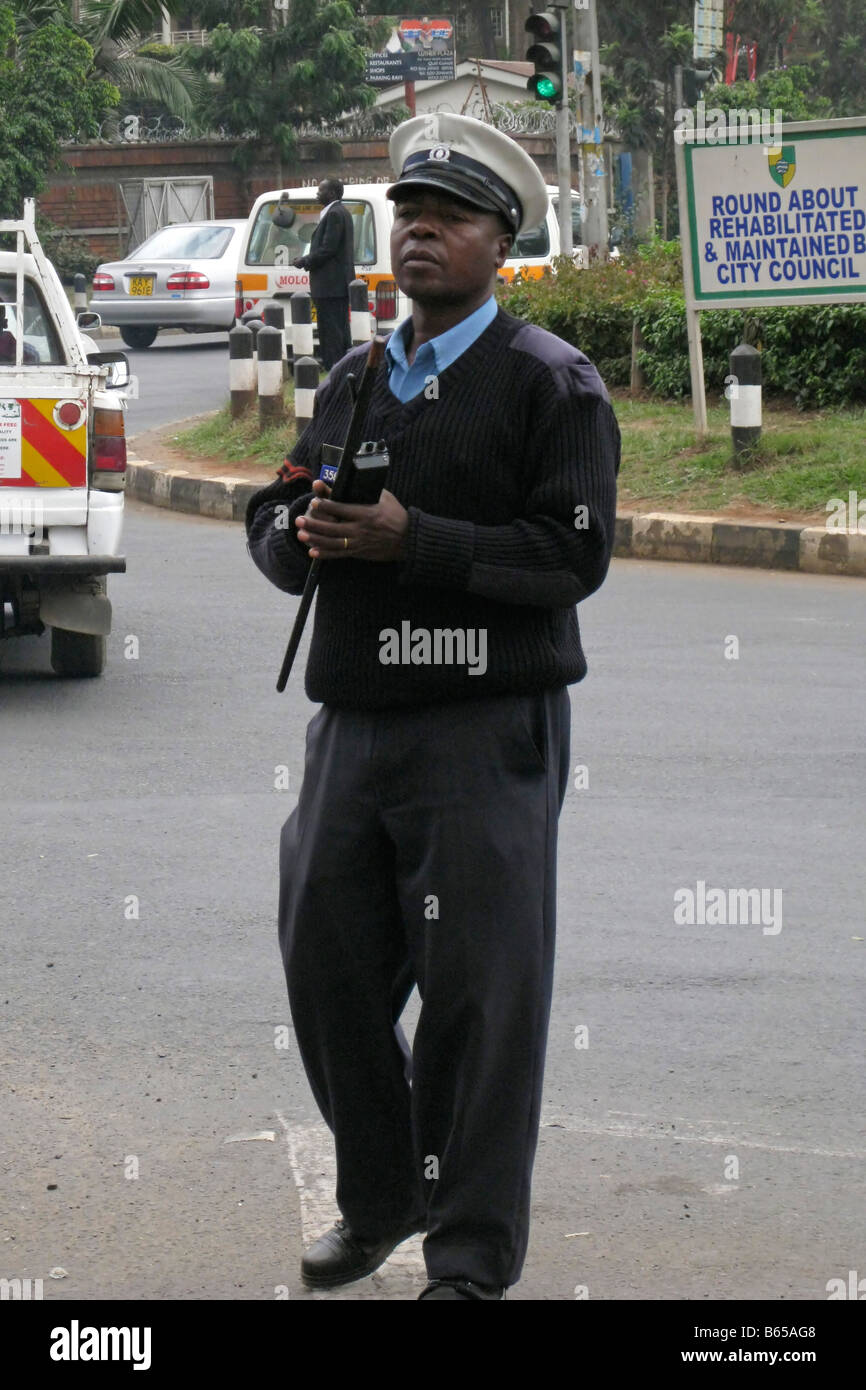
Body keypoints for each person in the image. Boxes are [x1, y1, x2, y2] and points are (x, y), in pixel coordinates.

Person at [245, 113, 621, 1300]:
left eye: (448, 218)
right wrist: (290, 537)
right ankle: (379, 1199)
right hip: (353, 725)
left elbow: (569, 557)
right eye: (407, 213)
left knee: (478, 994)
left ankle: (465, 1258)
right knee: (325, 960)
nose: (418, 233)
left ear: (498, 245)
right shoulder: (359, 375)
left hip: (484, 725)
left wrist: (418, 544)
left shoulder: (546, 383)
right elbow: (279, 499)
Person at [292, 177, 355, 371]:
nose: (317, 194)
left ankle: (334, 369)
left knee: (331, 332)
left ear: (332, 194)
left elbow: (328, 249)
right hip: (335, 285)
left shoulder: (335, 214)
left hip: (331, 285)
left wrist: (304, 261)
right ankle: (341, 369)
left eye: (321, 190)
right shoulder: (338, 212)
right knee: (338, 330)